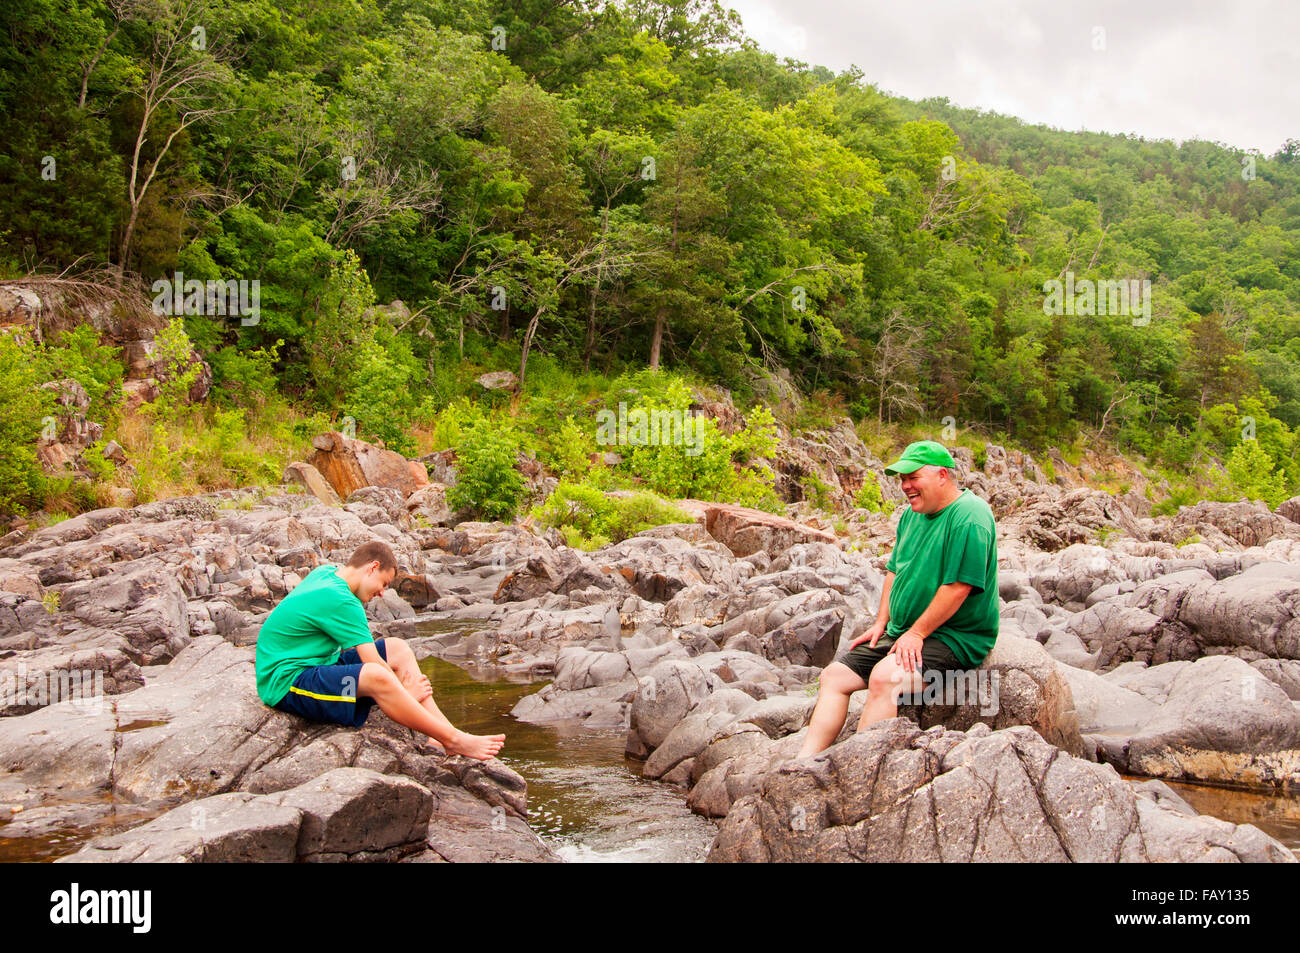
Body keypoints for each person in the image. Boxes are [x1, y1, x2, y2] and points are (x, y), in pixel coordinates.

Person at [797, 440, 998, 759]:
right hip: (903, 629)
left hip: (956, 637)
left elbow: (958, 588)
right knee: (833, 676)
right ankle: (803, 763)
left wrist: (916, 634)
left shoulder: (970, 516)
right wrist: (882, 622)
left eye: (913, 477)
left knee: (884, 678)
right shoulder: (911, 516)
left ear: (942, 475)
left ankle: (858, 772)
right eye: (902, 479)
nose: (905, 486)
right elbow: (894, 570)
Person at [255, 540, 505, 761]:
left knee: (397, 648)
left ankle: (439, 735)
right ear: (372, 567)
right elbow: (372, 663)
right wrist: (406, 691)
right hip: (287, 683)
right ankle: (454, 739)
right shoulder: (341, 600)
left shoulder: (326, 573)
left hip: (318, 663)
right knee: (379, 676)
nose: (382, 592)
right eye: (383, 582)